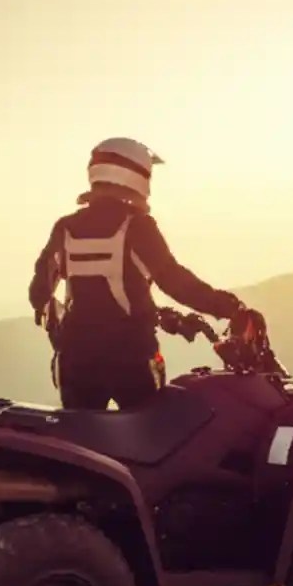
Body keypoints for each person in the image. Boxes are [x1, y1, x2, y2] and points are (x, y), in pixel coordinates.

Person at [29, 138, 243, 410]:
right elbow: (174, 280)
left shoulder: (66, 227)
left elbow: (39, 289)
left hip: (75, 359)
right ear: (136, 174)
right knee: (152, 438)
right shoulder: (138, 226)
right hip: (131, 357)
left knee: (81, 437)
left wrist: (58, 325)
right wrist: (226, 306)